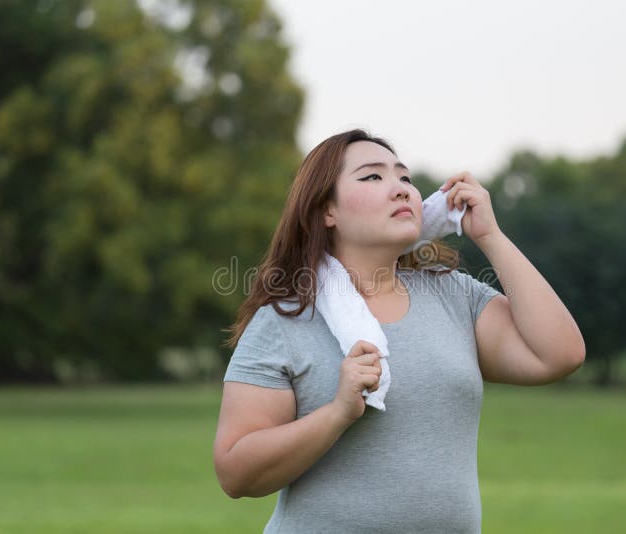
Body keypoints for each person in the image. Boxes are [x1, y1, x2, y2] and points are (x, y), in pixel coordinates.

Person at [213, 128, 586, 533]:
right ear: (326, 211)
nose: (401, 188)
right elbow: (236, 473)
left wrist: (489, 236)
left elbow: (559, 354)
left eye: (404, 177)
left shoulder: (455, 295)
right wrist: (337, 414)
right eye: (373, 176)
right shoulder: (284, 319)